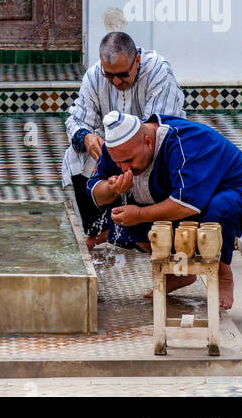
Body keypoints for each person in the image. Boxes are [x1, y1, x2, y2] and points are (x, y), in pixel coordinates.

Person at [87, 109, 242, 309]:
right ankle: (178, 272)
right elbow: (95, 190)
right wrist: (111, 188)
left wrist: (140, 214)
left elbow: (186, 204)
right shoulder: (119, 148)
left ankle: (223, 275)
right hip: (197, 198)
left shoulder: (183, 142)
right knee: (124, 209)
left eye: (129, 161)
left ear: (148, 142)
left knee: (217, 210)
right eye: (118, 163)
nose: (124, 168)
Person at [62, 17, 185, 249]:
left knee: (152, 156)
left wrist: (123, 155)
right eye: (110, 76)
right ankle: (100, 227)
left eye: (122, 75)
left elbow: (161, 132)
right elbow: (75, 121)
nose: (116, 81)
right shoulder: (95, 75)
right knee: (76, 153)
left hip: (147, 153)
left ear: (136, 60)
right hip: (113, 156)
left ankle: (140, 229)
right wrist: (86, 138)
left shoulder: (158, 72)